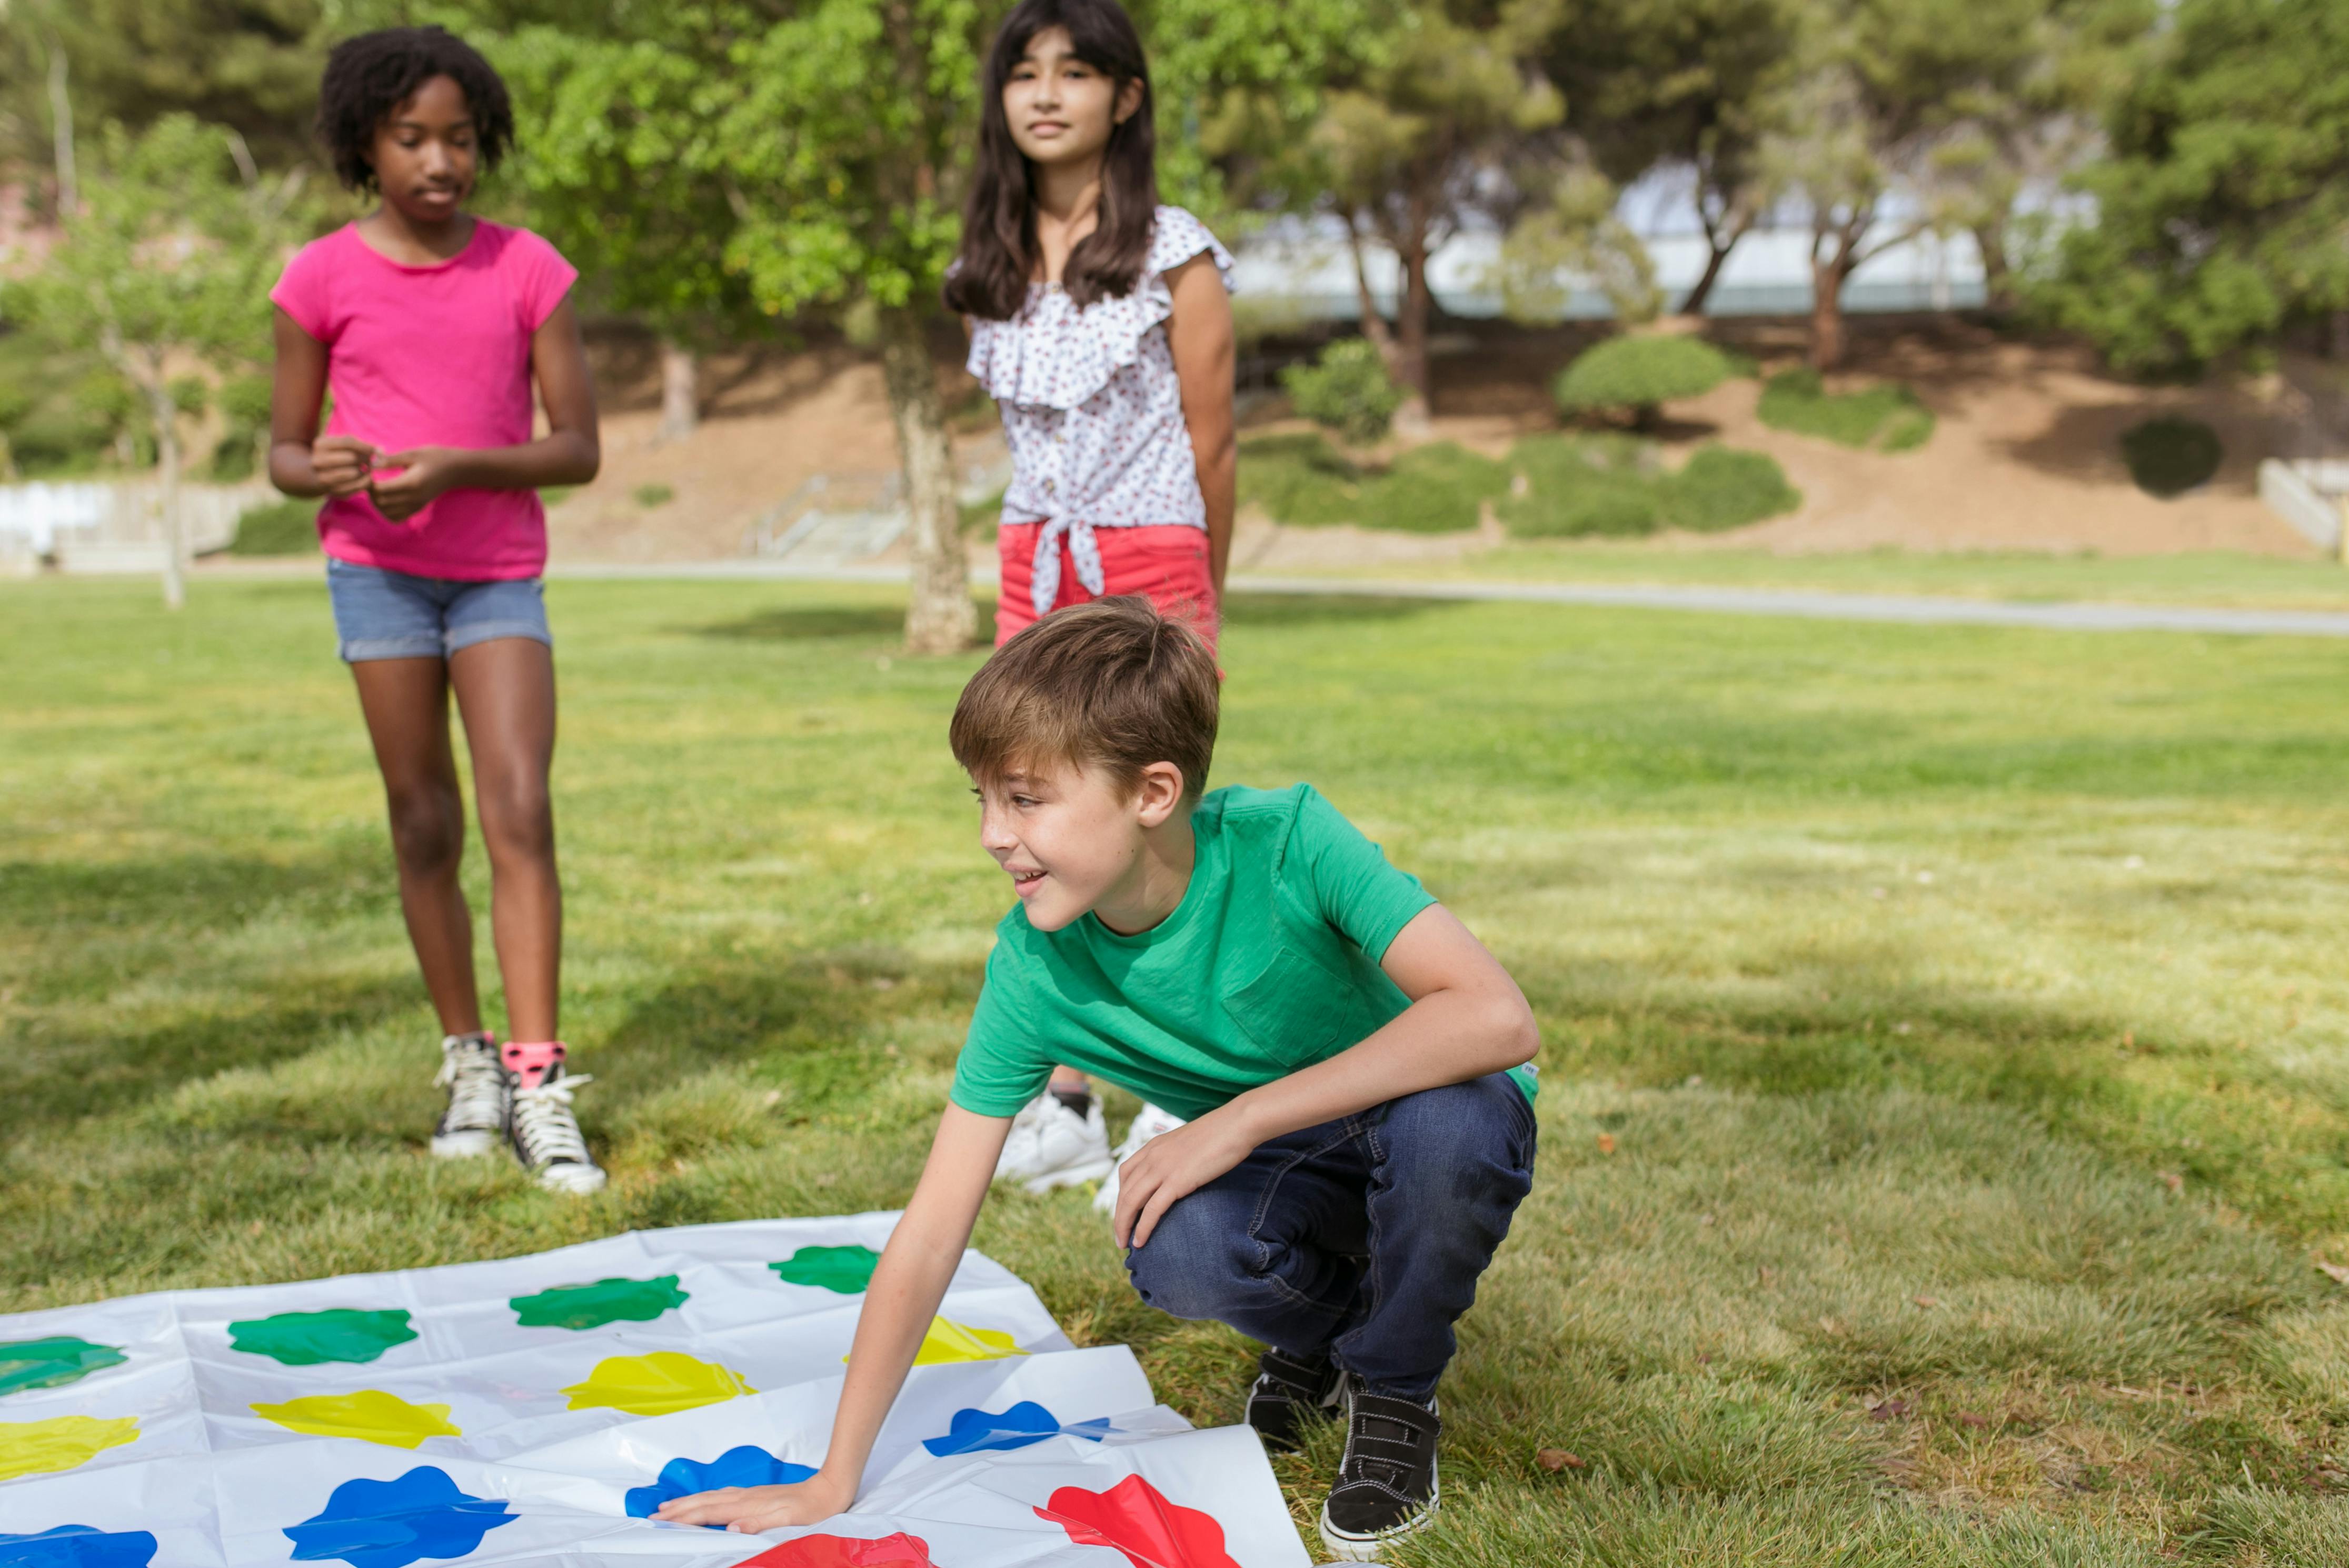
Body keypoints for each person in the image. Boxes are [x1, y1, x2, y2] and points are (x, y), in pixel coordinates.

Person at [655, 597, 1541, 1560]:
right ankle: (1328, 1341)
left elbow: (1495, 1017)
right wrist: (835, 1476)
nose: (993, 834)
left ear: (1152, 793)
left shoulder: (1289, 841)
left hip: (1422, 1120)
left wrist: (1237, 1120)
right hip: (1295, 1174)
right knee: (1177, 1244)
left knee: (1456, 1123)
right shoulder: (1031, 969)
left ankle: (1396, 1392)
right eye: (983, 800)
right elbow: (932, 1228)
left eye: (1026, 799)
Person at [265, 26, 606, 1194]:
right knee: (423, 820)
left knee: (520, 805)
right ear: (366, 142)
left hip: (496, 572)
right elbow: (281, 451)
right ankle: (467, 1062)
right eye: (412, 138)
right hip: (377, 571)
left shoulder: (527, 269)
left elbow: (578, 448)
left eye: (460, 138)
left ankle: (538, 1080)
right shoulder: (316, 277)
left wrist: (458, 465)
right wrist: (326, 467)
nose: (439, 160)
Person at [944, 0, 1237, 1197]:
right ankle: (1068, 1092)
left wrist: (1205, 593)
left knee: (1152, 818)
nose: (1047, 93)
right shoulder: (993, 264)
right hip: (1036, 559)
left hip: (1156, 552)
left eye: (1077, 71)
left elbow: (1215, 445)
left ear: (1126, 95)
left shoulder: (1177, 253)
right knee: (1044, 822)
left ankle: (1182, 1079)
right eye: (1024, 73)